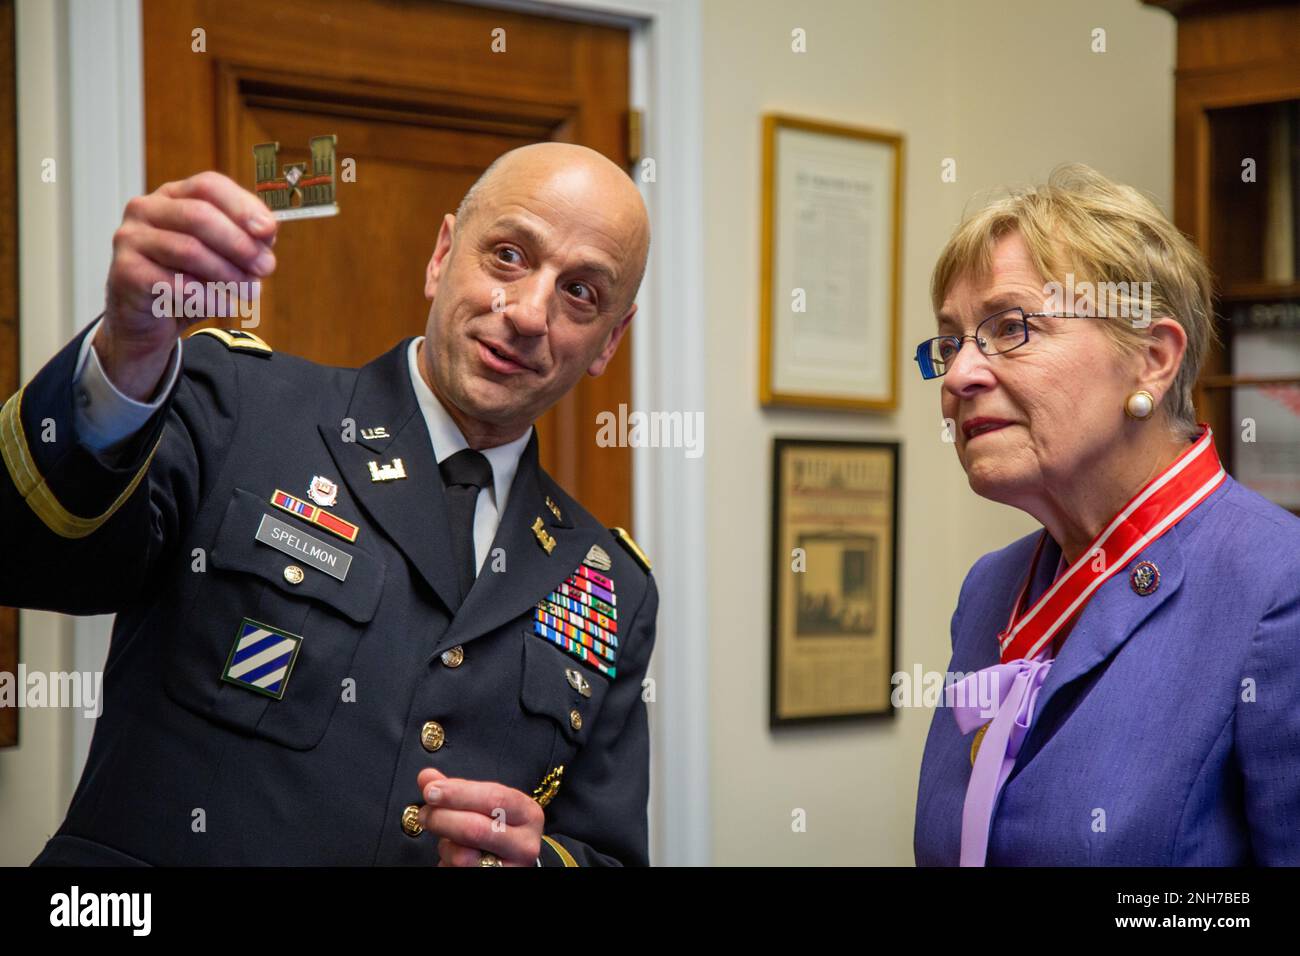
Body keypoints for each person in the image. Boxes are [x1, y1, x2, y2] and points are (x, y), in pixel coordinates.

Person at [0, 142, 658, 866]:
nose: (529, 312)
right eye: (507, 255)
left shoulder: (609, 586)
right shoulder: (239, 407)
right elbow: (31, 555)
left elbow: (604, 851)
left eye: (581, 293)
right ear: (442, 257)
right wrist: (126, 353)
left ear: (609, 340)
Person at [912, 164, 1300, 866]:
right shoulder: (989, 593)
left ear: (1151, 359)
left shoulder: (1277, 587)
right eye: (950, 343)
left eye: (1009, 327)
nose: (961, 375)